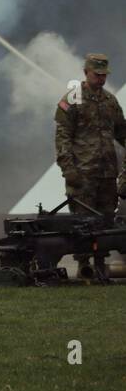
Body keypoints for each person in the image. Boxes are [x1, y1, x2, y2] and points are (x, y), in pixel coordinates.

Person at [55, 53, 126, 281]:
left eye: (104, 75)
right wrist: (68, 169)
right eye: (97, 75)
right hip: (82, 174)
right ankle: (84, 266)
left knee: (106, 220)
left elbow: (122, 133)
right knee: (82, 222)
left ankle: (100, 265)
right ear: (86, 72)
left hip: (107, 173)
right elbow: (63, 137)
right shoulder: (72, 100)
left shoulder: (110, 102)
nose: (102, 79)